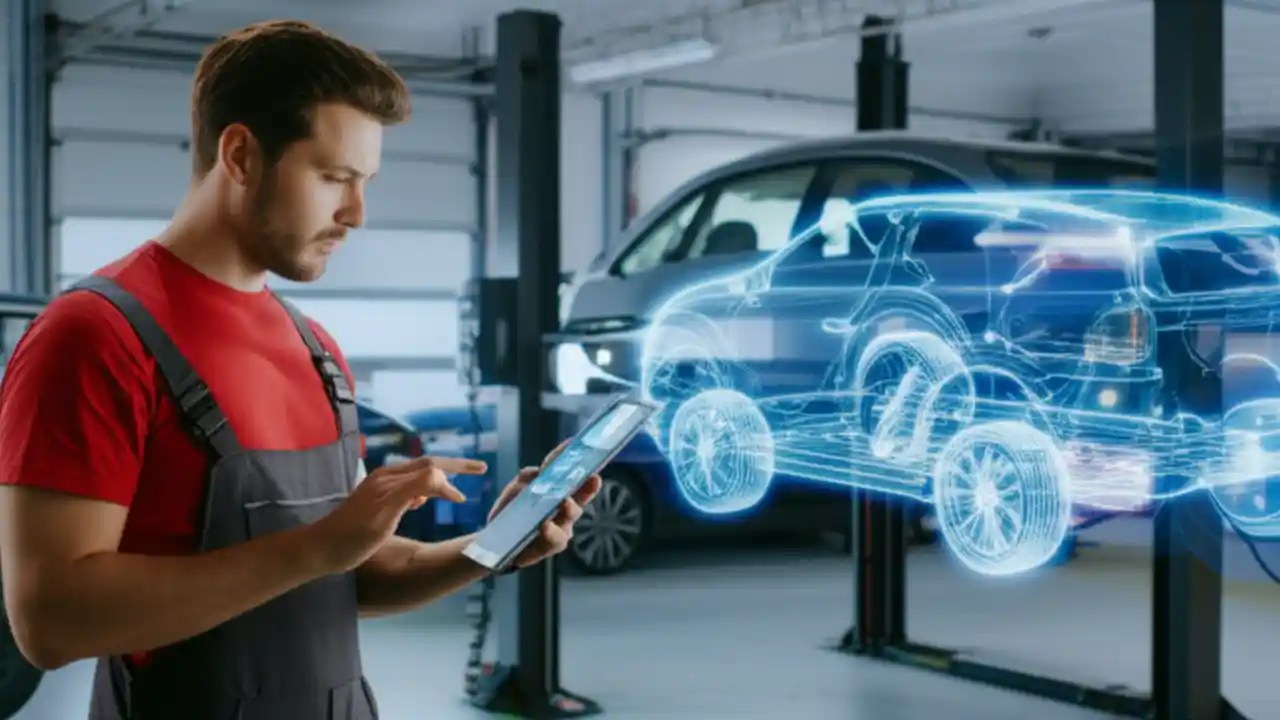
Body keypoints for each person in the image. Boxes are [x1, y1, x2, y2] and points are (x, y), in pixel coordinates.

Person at [0, 19, 599, 720]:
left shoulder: (315, 349)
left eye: (365, 181)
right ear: (241, 154)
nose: (356, 213)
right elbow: (51, 622)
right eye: (334, 177)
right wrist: (317, 547)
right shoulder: (93, 336)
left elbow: (340, 572)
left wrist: (487, 551)